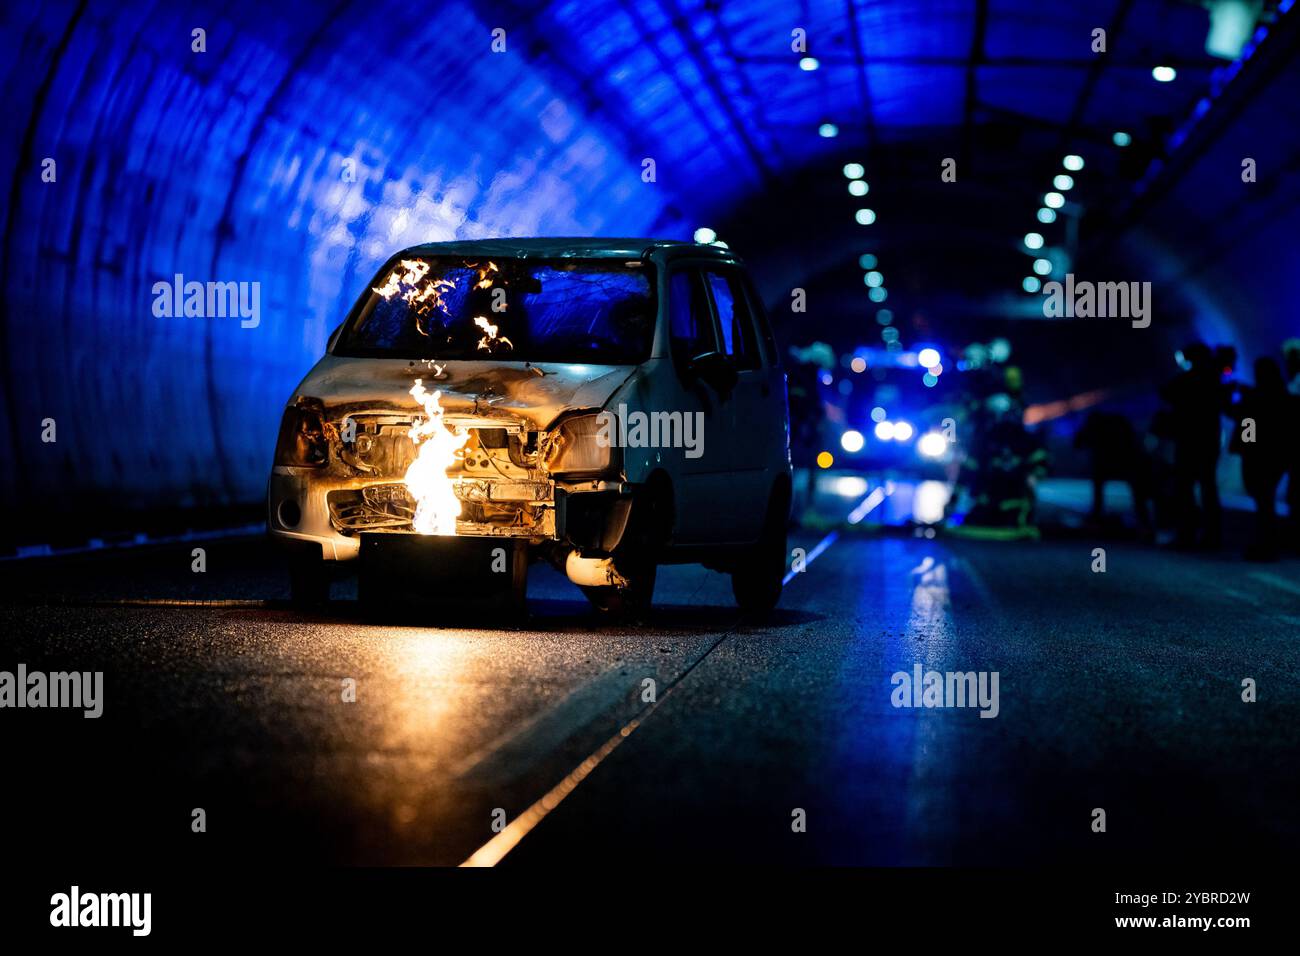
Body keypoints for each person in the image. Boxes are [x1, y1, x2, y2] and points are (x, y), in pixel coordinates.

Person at [1159, 343, 1226, 549]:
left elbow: (1166, 392)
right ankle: (1211, 535)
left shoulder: (1188, 379)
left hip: (1189, 440)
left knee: (1185, 487)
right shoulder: (1214, 378)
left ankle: (1187, 533)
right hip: (1208, 440)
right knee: (1208, 487)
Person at [1230, 358, 1290, 560]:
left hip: (1259, 455)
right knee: (1266, 500)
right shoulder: (1284, 396)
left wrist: (1248, 446)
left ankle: (1266, 545)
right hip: (1276, 455)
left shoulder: (1255, 399)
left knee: (1263, 500)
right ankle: (1269, 543)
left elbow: (1248, 424)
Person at [1073, 411, 1154, 537]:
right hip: (1123, 462)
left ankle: (1098, 518)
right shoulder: (1118, 424)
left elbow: (1078, 443)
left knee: (1102, 488)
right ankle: (1144, 522)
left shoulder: (1097, 426)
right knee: (1136, 493)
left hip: (1114, 462)